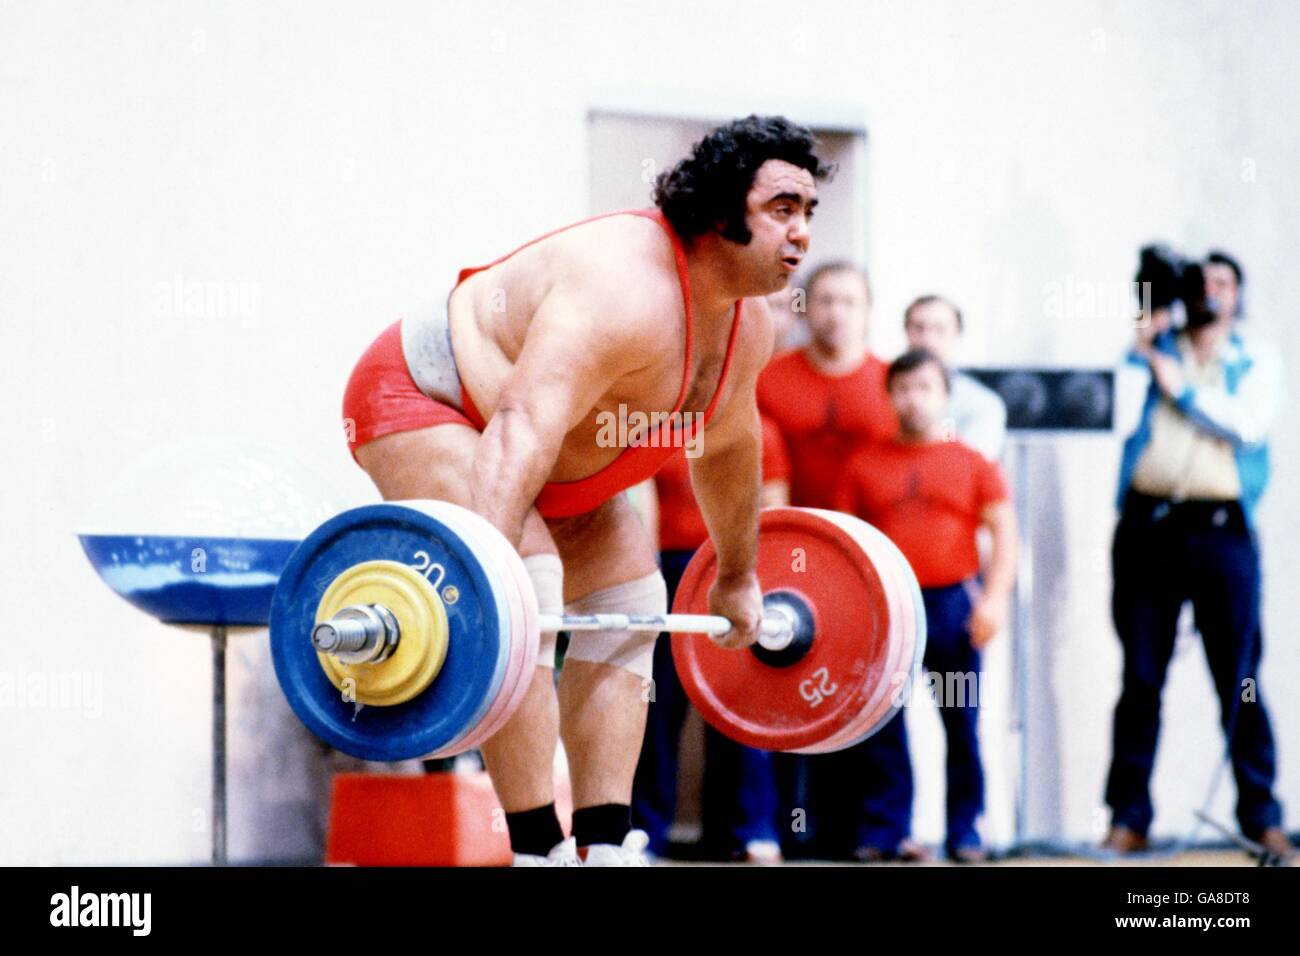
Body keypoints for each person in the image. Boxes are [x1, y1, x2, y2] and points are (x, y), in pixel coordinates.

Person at [339, 115, 832, 866]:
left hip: (558, 461)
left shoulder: (748, 328)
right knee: (527, 588)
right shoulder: (621, 283)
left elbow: (728, 454)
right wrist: (484, 581)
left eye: (808, 214)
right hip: (424, 399)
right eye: (782, 210)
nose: (800, 234)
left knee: (634, 602)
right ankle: (536, 848)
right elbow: (522, 423)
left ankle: (602, 845)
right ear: (721, 209)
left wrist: (737, 577)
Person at [1103, 250, 1292, 862]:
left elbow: (1247, 426)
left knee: (1239, 679)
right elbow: (1116, 418)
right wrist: (1142, 350)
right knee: (1140, 677)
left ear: (1238, 294)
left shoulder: (1255, 358)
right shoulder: (1151, 354)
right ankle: (1127, 817)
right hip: (1149, 526)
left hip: (1222, 530)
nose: (1210, 292)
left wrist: (1179, 388)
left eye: (1222, 283)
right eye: (1200, 283)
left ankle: (1262, 816)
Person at [834, 349, 1018, 862]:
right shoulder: (862, 463)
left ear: (945, 395)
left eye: (926, 388)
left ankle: (965, 832)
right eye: (904, 388)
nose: (914, 399)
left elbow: (1006, 533)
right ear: (889, 395)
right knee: (884, 726)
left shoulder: (974, 463)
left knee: (961, 722)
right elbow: (845, 544)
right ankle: (886, 832)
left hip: (953, 609)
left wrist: (996, 601)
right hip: (889, 613)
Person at [632, 415, 790, 863]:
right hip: (672, 571)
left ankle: (746, 831)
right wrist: (649, 581)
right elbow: (645, 506)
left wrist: (761, 574)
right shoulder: (655, 430)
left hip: (736, 572)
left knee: (739, 704)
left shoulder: (761, 431)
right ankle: (645, 833)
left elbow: (773, 509)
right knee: (659, 710)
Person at [902, 295, 1007, 460]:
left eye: (939, 329)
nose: (928, 340)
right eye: (918, 328)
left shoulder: (983, 405)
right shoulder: (882, 395)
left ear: (957, 334)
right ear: (906, 332)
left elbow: (969, 468)